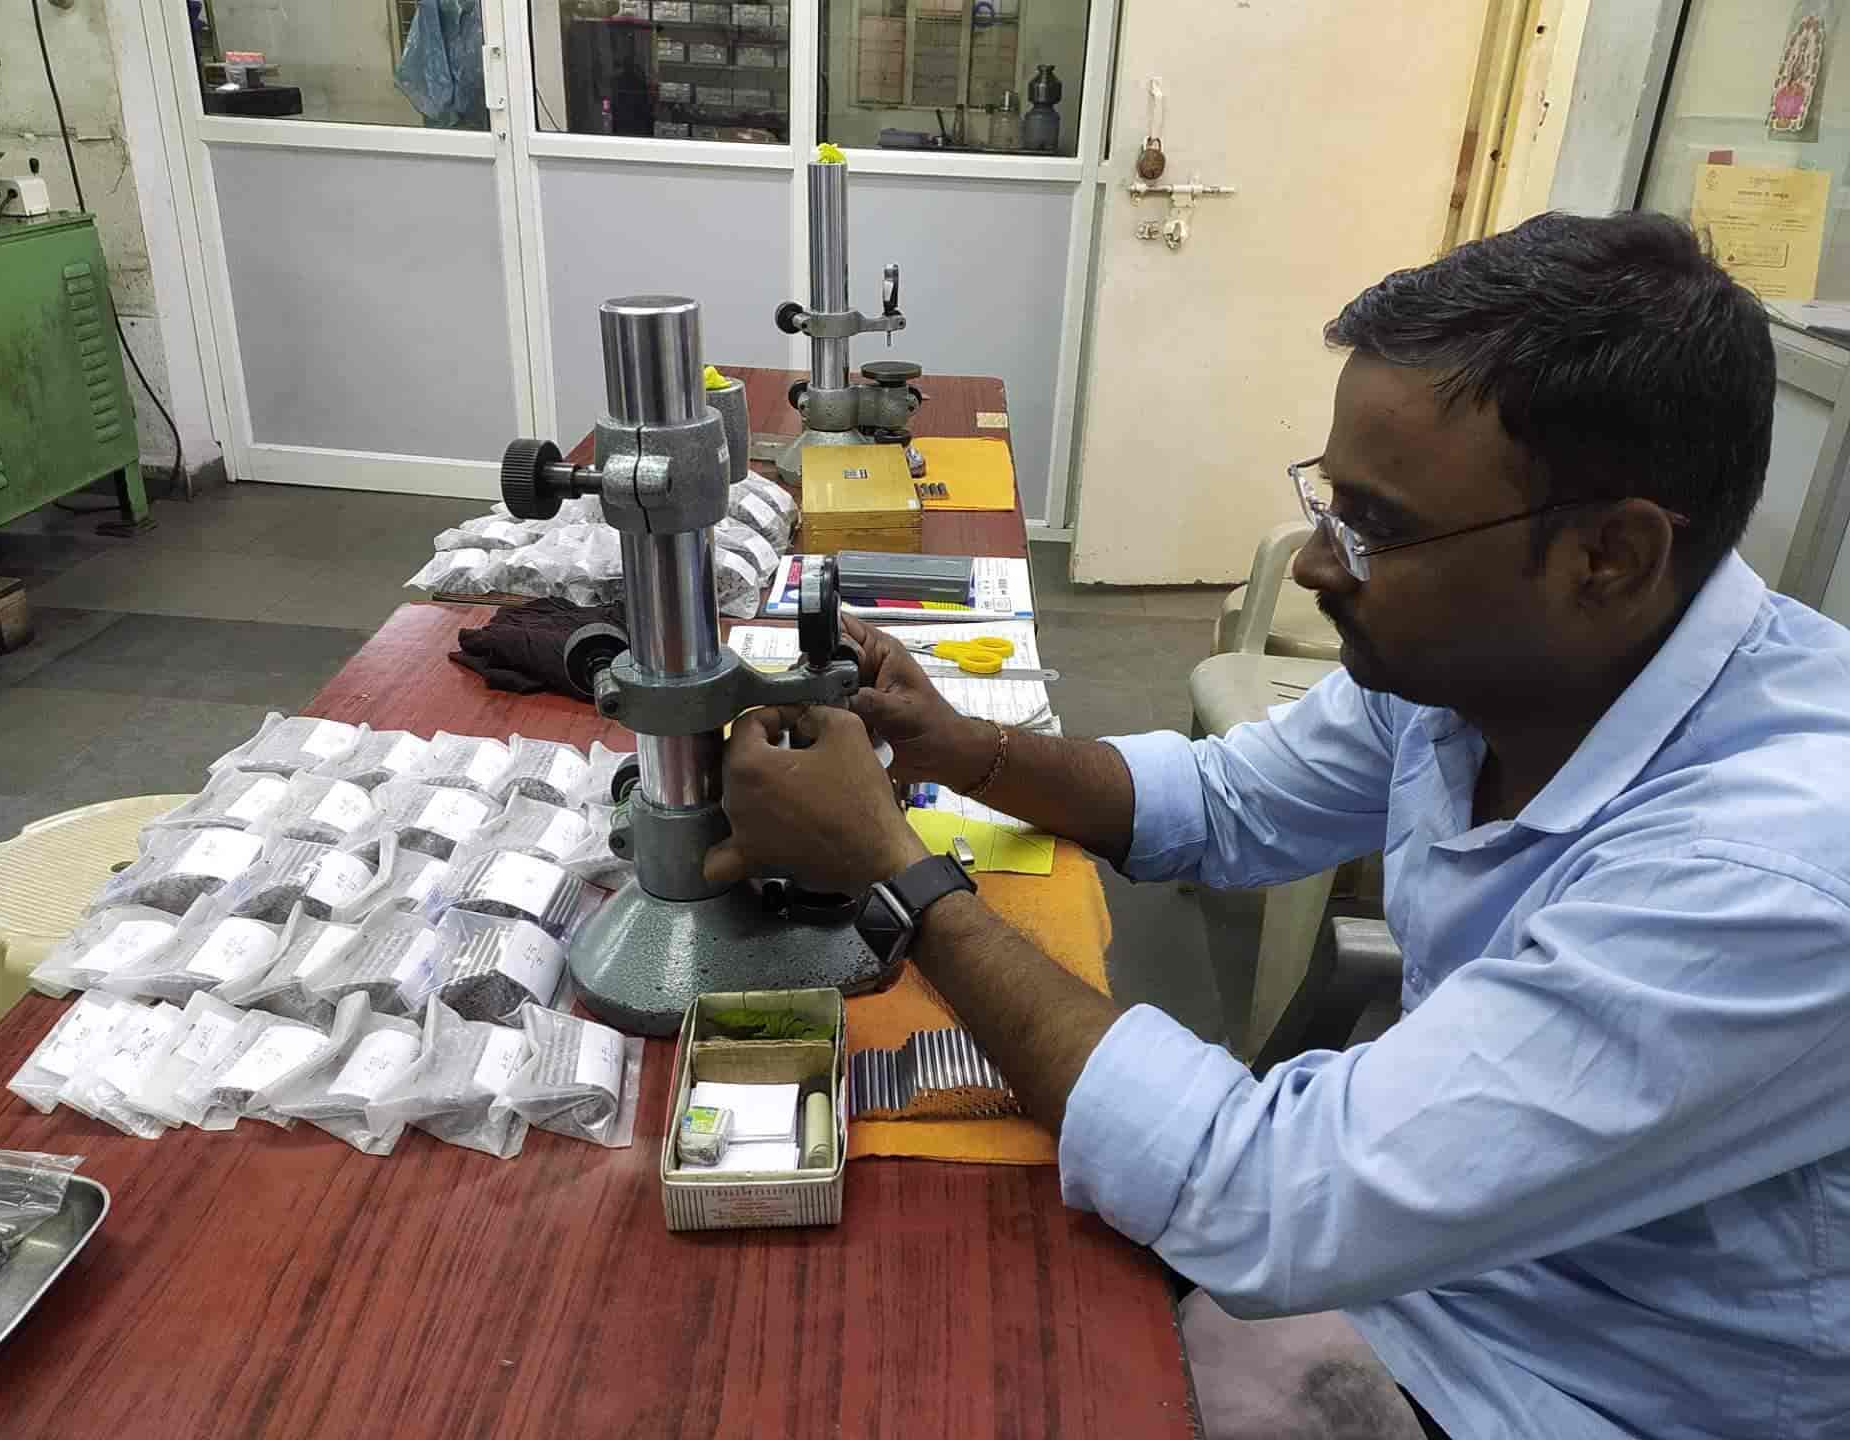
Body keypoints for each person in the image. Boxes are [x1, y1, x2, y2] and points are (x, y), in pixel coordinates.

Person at [702, 212, 1850, 1440]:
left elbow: (1265, 1198)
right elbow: (1227, 802)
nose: (1316, 566)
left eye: (1379, 528)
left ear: (1608, 557)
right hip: (1426, 1262)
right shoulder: (1499, 666)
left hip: (1572, 1389)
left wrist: (893, 871)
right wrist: (953, 745)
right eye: (1329, 504)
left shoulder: (1771, 872)